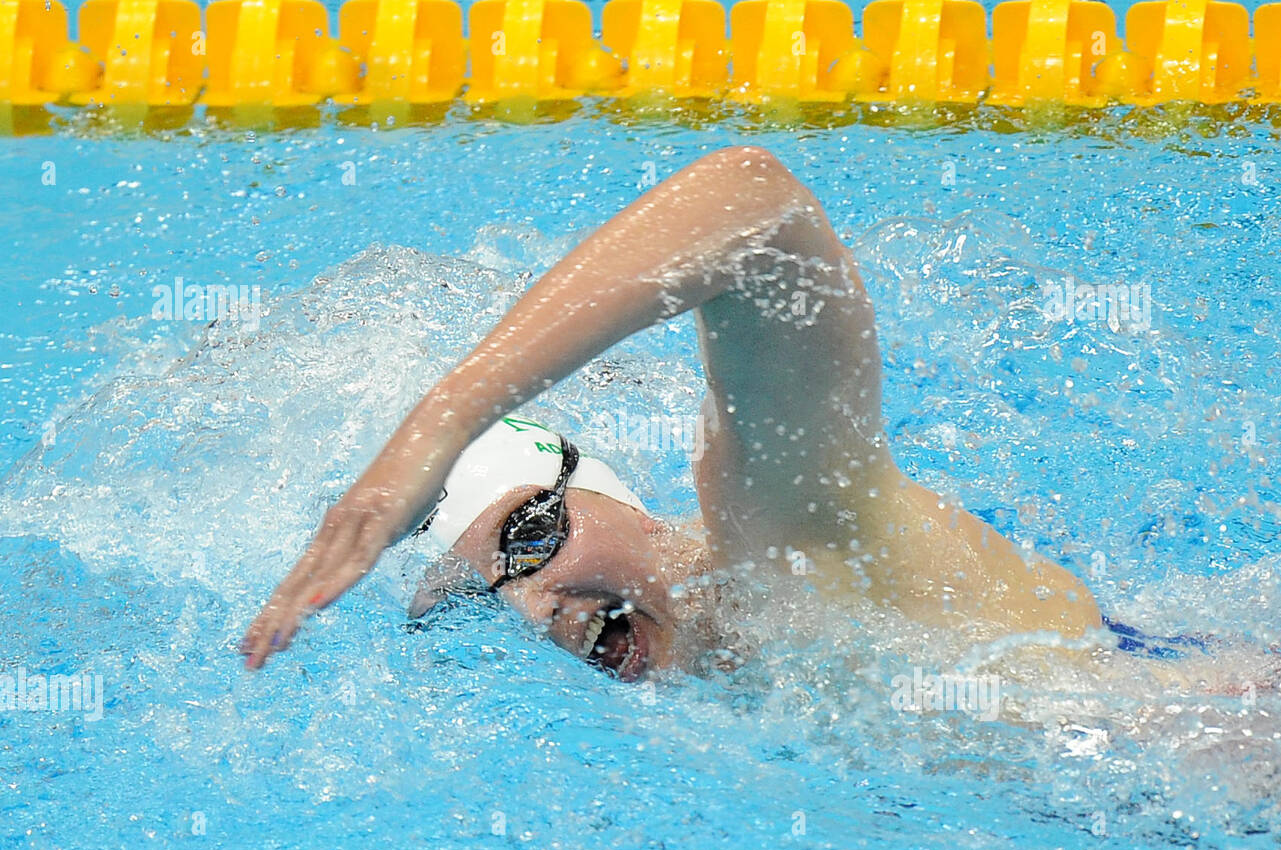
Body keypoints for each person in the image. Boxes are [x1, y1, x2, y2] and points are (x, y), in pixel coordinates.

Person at [241, 145, 1106, 680]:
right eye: (490, 594)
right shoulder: (728, 688)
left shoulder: (775, 534)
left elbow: (758, 206)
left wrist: (444, 420)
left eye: (531, 537)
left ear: (611, 497)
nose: (537, 606)